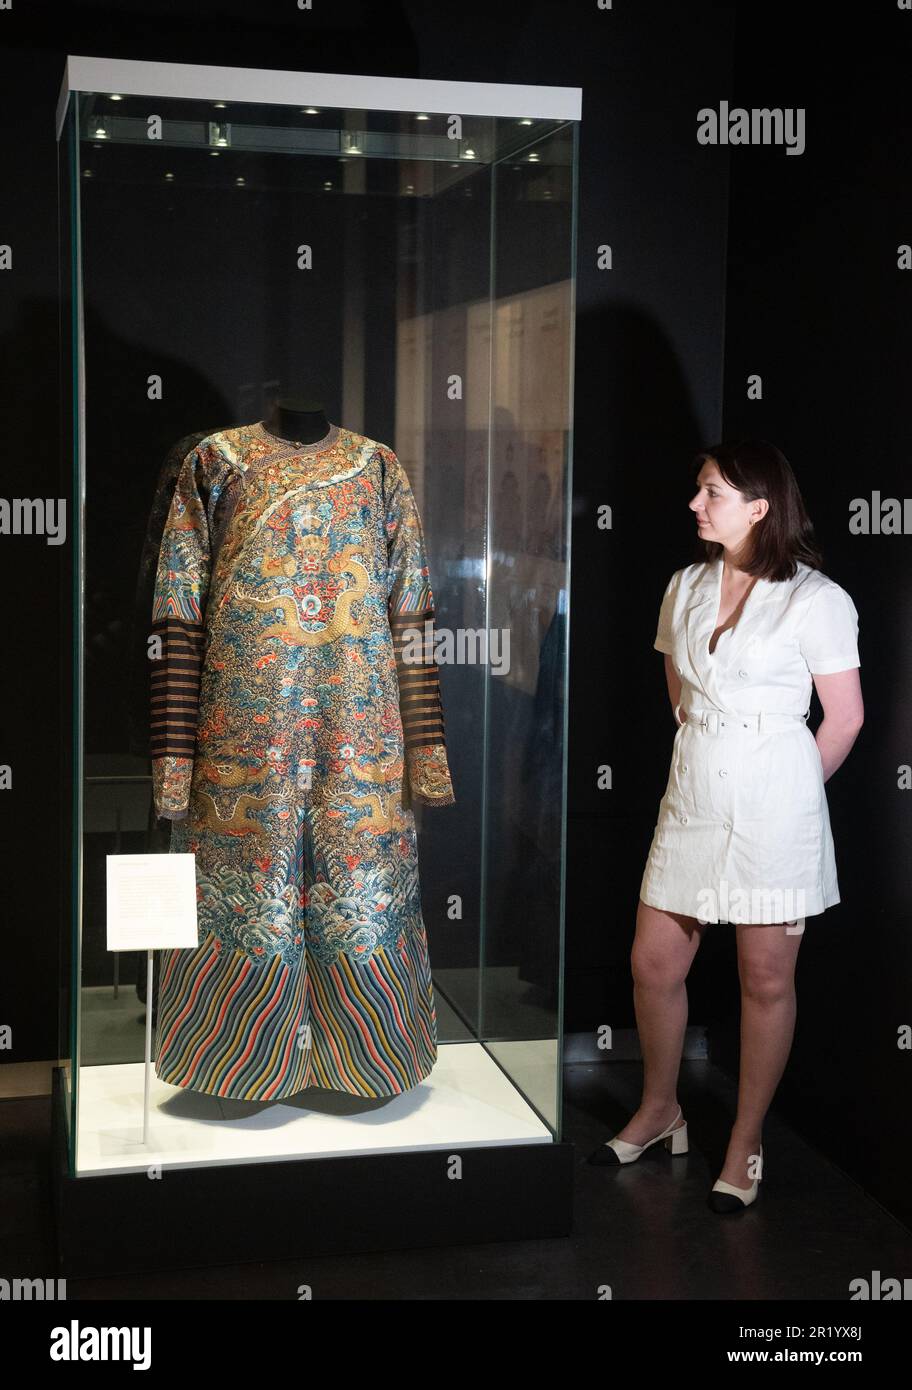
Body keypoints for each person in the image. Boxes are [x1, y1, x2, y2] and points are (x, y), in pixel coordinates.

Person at [588, 440, 863, 1212]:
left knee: (766, 979)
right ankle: (659, 1107)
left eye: (711, 492)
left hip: (779, 807)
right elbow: (680, 692)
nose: (695, 504)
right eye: (698, 490)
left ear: (759, 506)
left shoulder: (818, 599)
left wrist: (787, 790)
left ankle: (745, 1140)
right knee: (654, 965)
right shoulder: (683, 585)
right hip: (694, 798)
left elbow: (844, 719)